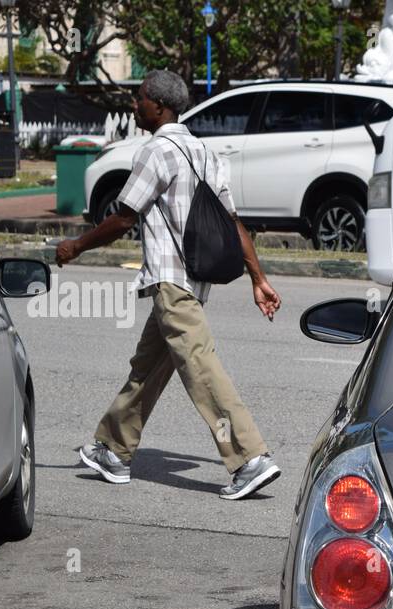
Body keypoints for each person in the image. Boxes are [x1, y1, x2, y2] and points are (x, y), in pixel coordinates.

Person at [57, 69, 282, 500]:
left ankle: (249, 457)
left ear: (158, 106)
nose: (134, 104)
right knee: (147, 369)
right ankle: (114, 451)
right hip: (190, 283)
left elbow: (125, 216)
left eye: (139, 98)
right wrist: (259, 278)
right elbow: (234, 223)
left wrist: (76, 247)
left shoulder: (156, 151)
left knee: (200, 368)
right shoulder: (202, 152)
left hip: (170, 280)